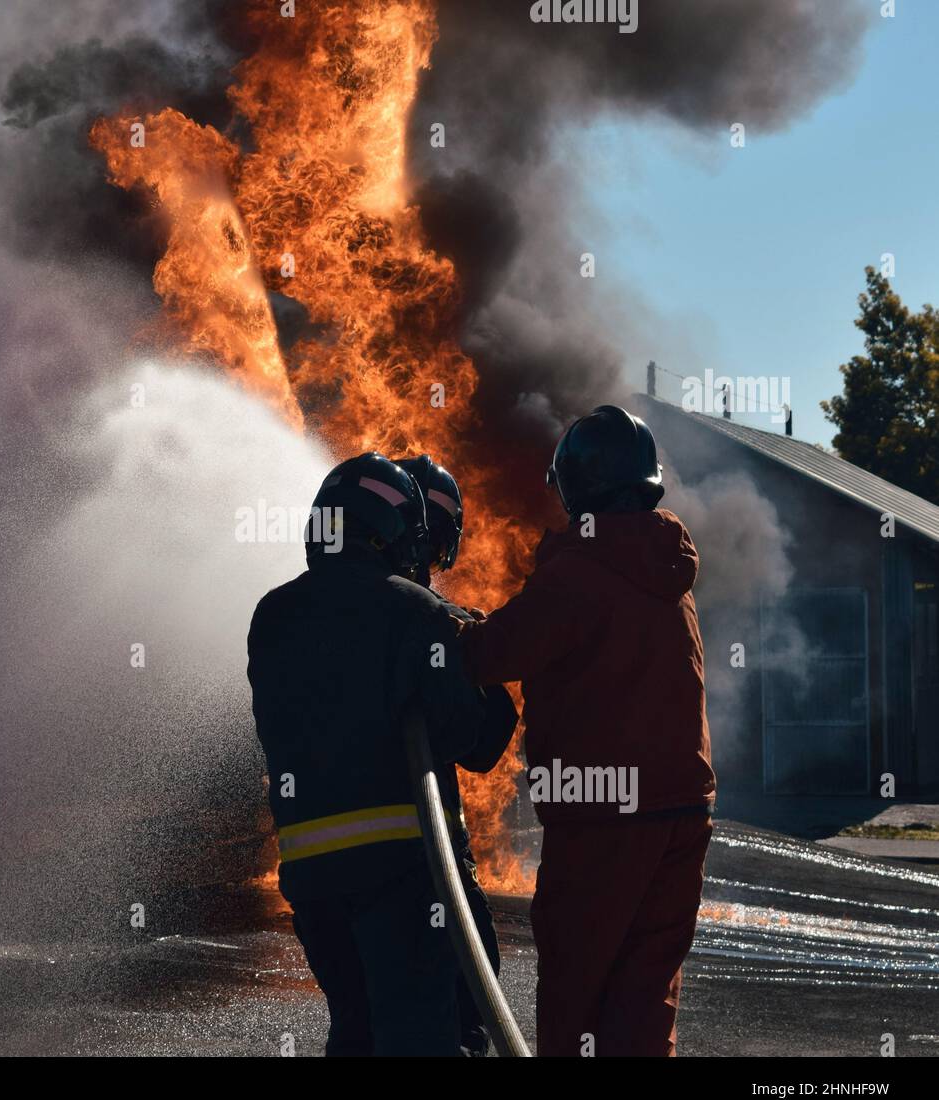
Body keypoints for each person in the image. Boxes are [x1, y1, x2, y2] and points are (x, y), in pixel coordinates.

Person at [459, 405, 716, 1057]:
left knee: (578, 991)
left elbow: (491, 655)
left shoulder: (579, 570)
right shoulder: (669, 569)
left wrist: (442, 628)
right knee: (643, 997)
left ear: (575, 485)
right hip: (684, 813)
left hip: (604, 816)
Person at [246, 452, 506, 1056]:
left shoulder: (272, 615)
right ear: (393, 531)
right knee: (426, 1038)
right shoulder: (413, 612)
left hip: (312, 882)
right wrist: (472, 650)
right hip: (399, 876)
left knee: (356, 1034)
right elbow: (478, 739)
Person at [396, 454, 517, 1056]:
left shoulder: (306, 615)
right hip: (425, 869)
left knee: (367, 1027)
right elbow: (484, 744)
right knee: (463, 1020)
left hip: (327, 879)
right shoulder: (427, 622)